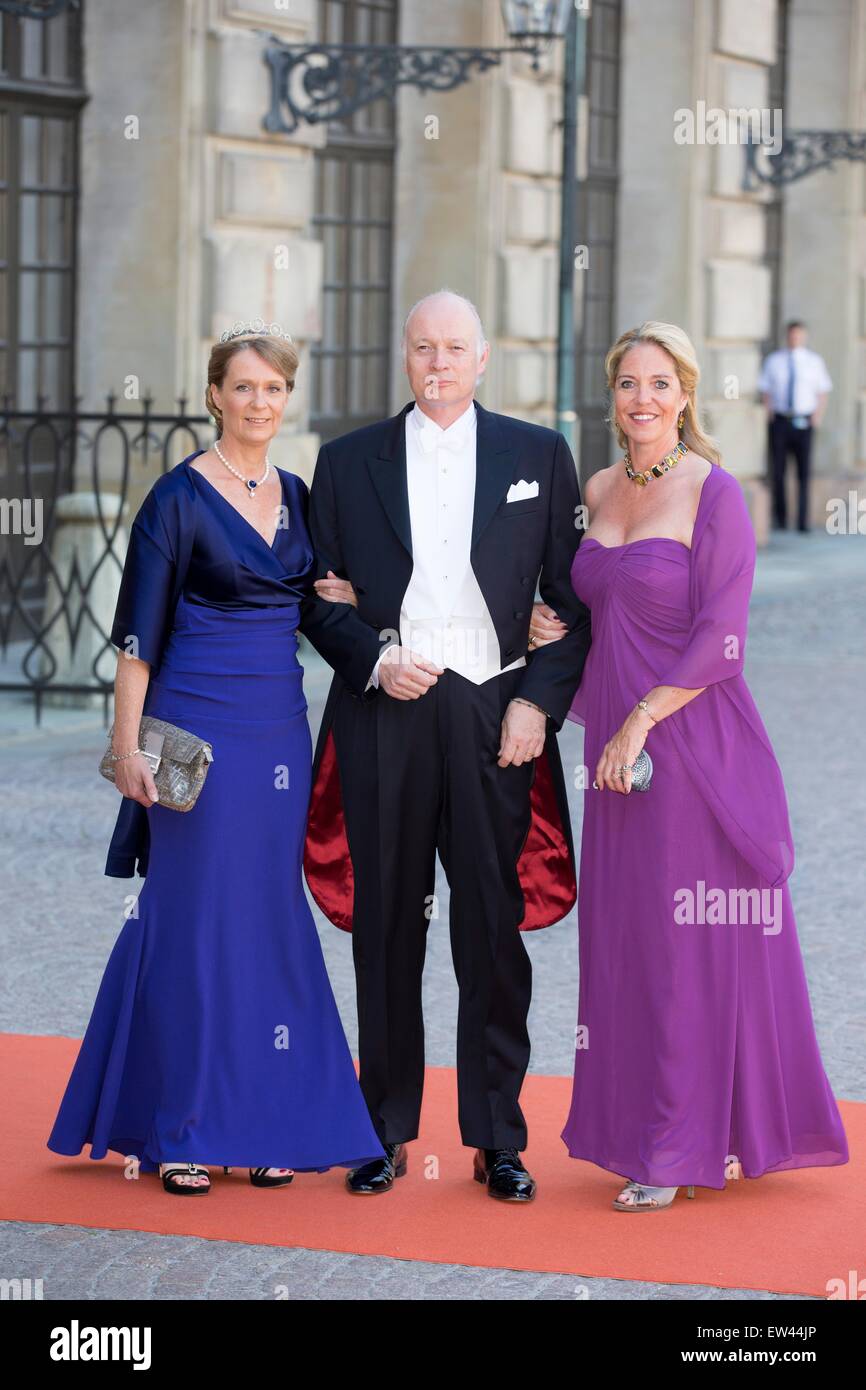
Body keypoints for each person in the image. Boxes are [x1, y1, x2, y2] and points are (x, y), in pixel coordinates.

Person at [46, 323, 385, 1194]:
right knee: (193, 920)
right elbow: (135, 645)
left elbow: (315, 604)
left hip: (278, 729)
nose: (259, 403)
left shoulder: (300, 495)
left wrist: (371, 624)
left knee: (268, 920)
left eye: (273, 388)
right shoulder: (177, 499)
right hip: (195, 734)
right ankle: (185, 1124)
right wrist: (127, 750)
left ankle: (266, 1117)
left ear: (286, 398)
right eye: (243, 388)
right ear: (214, 396)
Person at [530, 320, 848, 1210]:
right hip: (618, 760)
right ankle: (676, 1124)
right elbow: (587, 608)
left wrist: (640, 721)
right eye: (629, 382)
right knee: (628, 943)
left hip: (690, 744)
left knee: (685, 948)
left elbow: (724, 637)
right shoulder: (595, 489)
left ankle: (675, 1146)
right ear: (613, 394)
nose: (643, 399)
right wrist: (547, 629)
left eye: (660, 384)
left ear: (687, 394)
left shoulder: (715, 492)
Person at [300, 289, 592, 1201]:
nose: (438, 364)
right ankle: (381, 1129)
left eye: (454, 348)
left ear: (484, 355)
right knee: (388, 921)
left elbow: (575, 604)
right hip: (386, 710)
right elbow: (314, 595)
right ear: (404, 355)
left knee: (489, 928)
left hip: (494, 712)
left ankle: (498, 1136)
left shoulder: (539, 454)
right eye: (423, 348)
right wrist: (372, 657)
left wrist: (537, 704)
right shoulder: (346, 463)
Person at [758, 319, 832, 532]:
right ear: (787, 336)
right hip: (781, 421)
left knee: (804, 473)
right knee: (779, 471)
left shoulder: (814, 362)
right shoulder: (774, 361)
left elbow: (823, 391)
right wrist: (770, 413)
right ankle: (781, 518)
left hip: (805, 422)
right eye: (792, 335)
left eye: (799, 335)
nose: (795, 338)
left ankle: (802, 521)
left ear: (804, 336)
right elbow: (766, 389)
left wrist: (817, 416)